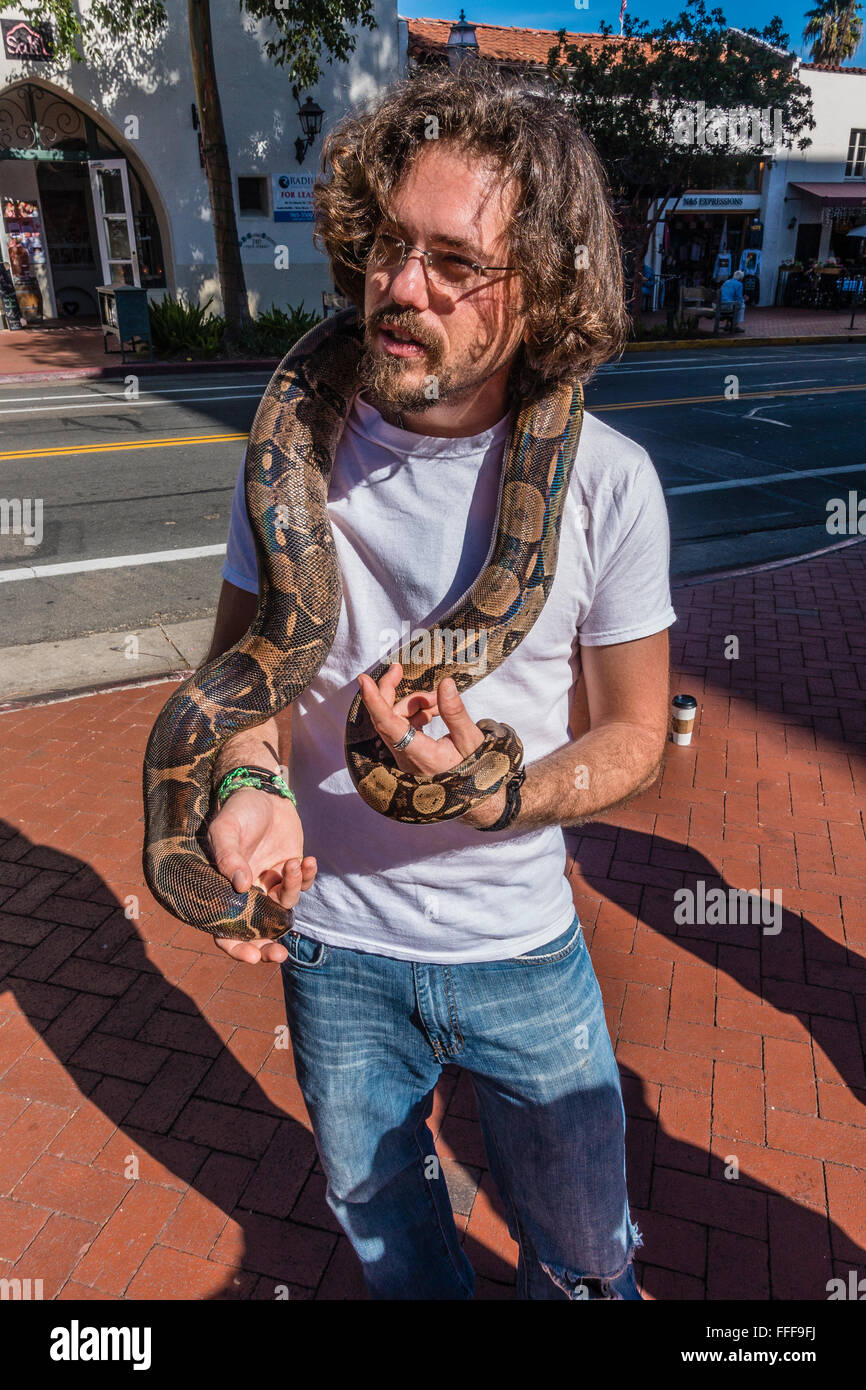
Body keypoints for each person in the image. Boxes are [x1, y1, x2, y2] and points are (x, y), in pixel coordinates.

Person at [203, 67, 675, 1301]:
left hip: (519, 950)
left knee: (583, 1269)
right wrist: (247, 779)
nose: (401, 286)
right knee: (395, 1255)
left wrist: (494, 795)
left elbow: (633, 734)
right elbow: (238, 676)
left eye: (454, 261)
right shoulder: (287, 456)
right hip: (334, 954)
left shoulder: (608, 481)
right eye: (388, 246)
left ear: (546, 287)